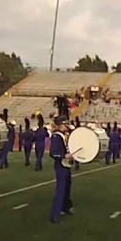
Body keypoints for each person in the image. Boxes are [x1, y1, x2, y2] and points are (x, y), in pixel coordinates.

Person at [48, 95, 74, 223]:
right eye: (65, 124)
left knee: (67, 187)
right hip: (61, 166)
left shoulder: (64, 136)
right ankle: (55, 214)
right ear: (60, 125)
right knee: (61, 189)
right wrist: (64, 156)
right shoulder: (56, 137)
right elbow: (53, 153)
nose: (66, 126)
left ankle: (66, 207)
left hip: (66, 165)